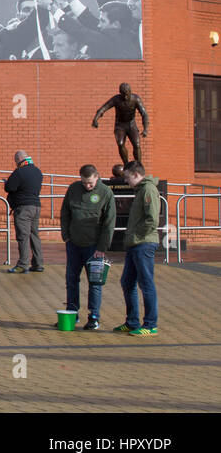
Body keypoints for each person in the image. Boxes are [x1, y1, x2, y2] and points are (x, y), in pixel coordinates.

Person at [60, 164, 115, 331]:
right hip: (74, 244)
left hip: (94, 247)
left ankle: (94, 317)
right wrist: (66, 235)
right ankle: (72, 313)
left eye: (90, 183)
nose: (87, 186)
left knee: (95, 282)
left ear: (97, 177)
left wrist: (102, 247)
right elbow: (65, 212)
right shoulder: (73, 189)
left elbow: (109, 222)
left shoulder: (105, 192)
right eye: (84, 182)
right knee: (71, 279)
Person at [113, 161, 160, 336]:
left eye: (127, 177)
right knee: (127, 282)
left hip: (144, 243)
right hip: (135, 243)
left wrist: (137, 235)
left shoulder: (148, 190)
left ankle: (150, 324)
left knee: (146, 284)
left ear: (135, 174)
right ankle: (132, 321)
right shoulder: (140, 190)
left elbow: (152, 219)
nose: (126, 181)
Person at [4, 149, 44, 273]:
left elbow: (9, 187)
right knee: (34, 235)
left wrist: (7, 182)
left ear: (18, 160)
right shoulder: (37, 171)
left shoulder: (19, 172)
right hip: (36, 206)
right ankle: (38, 263)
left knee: (23, 236)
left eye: (15, 161)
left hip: (23, 207)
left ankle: (23, 264)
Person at [92, 82, 150, 166]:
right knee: (120, 143)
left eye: (127, 95)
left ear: (130, 92)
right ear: (120, 93)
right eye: (123, 95)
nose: (125, 97)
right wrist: (95, 119)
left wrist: (145, 129)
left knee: (136, 144)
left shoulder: (136, 99)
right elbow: (103, 108)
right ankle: (126, 164)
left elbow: (144, 114)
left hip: (131, 124)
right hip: (120, 125)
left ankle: (139, 165)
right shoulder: (116, 99)